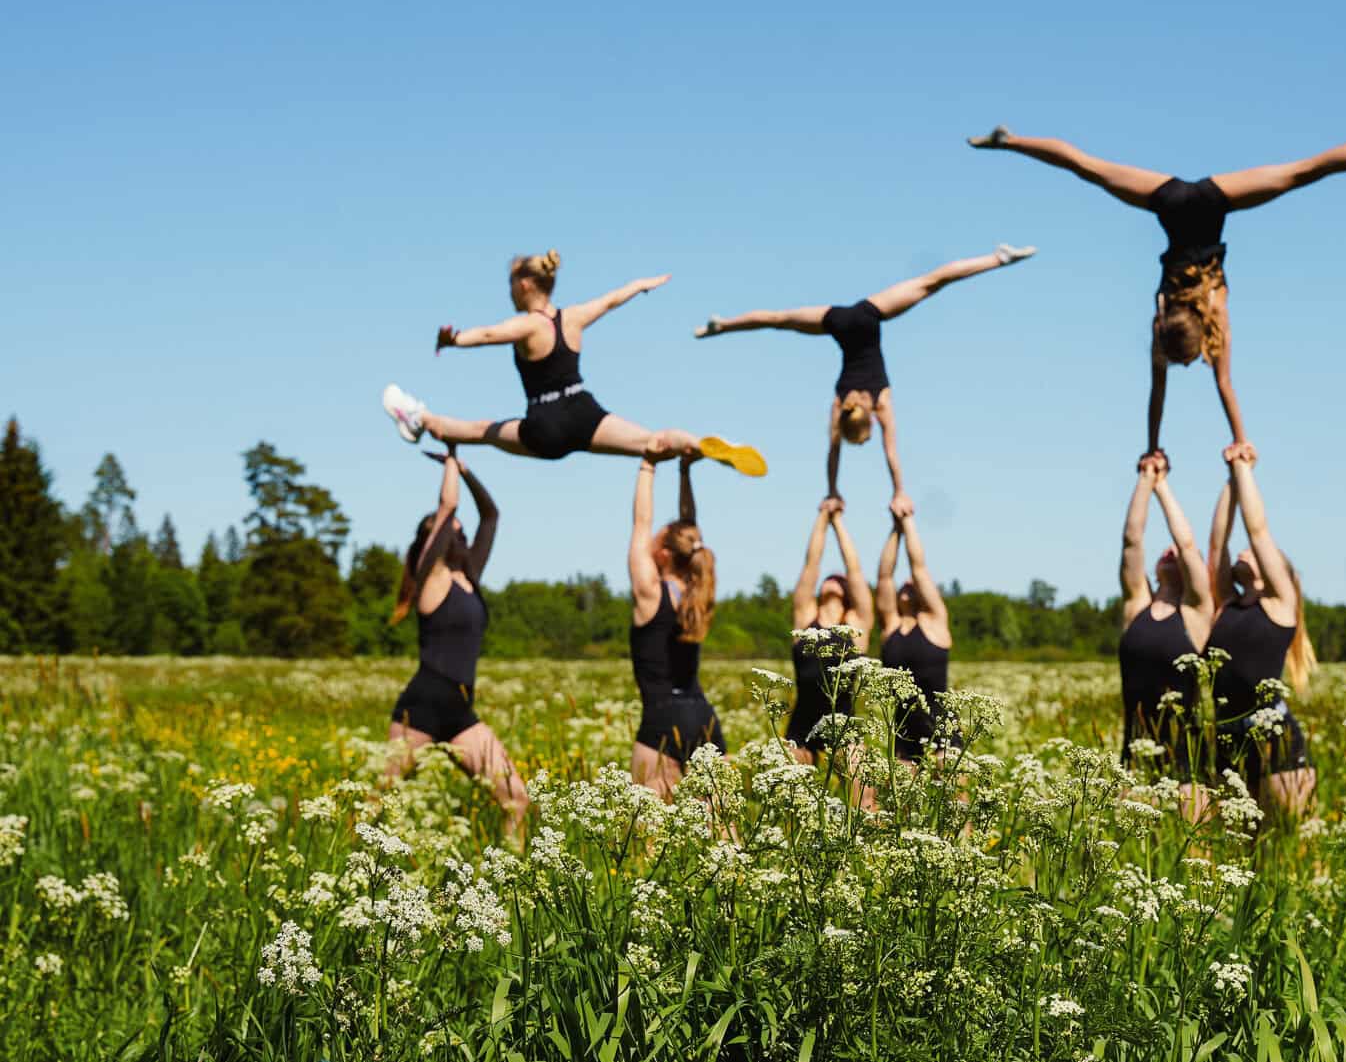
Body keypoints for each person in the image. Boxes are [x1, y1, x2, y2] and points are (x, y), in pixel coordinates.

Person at [967, 126, 1346, 462]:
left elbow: (1222, 385)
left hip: (1208, 205)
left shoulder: (1213, 311)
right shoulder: (1164, 314)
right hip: (1175, 201)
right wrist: (1158, 444)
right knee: (1087, 167)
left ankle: (1009, 141)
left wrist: (1232, 439)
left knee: (1305, 172)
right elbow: (1160, 390)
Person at [693, 247, 1035, 514]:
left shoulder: (880, 403)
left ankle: (722, 326)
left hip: (868, 317)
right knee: (780, 319)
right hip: (844, 320)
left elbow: (890, 453)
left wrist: (896, 490)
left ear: (868, 420)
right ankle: (998, 258)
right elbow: (833, 452)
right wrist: (832, 488)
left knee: (930, 284)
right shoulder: (841, 404)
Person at [380, 250, 764, 475]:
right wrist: (640, 285)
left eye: (511, 283)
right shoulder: (575, 317)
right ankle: (702, 445)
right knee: (652, 441)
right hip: (584, 412)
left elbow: (487, 335)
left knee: (481, 431)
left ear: (525, 285)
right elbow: (613, 299)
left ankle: (417, 417)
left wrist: (454, 339)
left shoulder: (528, 325)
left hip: (545, 424)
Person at [386, 448, 528, 835]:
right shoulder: (431, 579)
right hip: (423, 705)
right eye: (453, 531)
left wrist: (465, 470)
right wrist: (449, 456)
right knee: (380, 803)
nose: (461, 535)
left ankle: (507, 874)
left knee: (516, 798)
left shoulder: (469, 578)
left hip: (460, 710)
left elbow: (492, 515)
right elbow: (448, 507)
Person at [1204, 447, 1318, 816]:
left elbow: (1257, 530)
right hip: (1227, 737)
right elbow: (1217, 544)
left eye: (1255, 553)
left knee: (1288, 847)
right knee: (1238, 850)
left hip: (1274, 736)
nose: (1246, 551)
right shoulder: (1226, 604)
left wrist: (1245, 471)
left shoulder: (1280, 605)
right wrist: (1230, 481)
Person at [626, 439, 725, 798]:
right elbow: (690, 529)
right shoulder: (697, 588)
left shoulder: (652, 592)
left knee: (651, 841)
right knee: (724, 834)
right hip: (704, 717)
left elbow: (640, 523)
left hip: (663, 720)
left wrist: (648, 464)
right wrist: (684, 472)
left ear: (664, 553)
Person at [1116, 452, 1213, 782]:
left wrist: (1164, 486)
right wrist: (1145, 478)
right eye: (1164, 553)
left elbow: (1186, 544)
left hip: (1186, 760)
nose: (1170, 552)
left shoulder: (1197, 612)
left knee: (1184, 834)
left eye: (1180, 556)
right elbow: (1132, 540)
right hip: (1135, 756)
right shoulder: (1136, 606)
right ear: (1154, 570)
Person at [785, 497, 875, 762]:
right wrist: (822, 517)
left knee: (860, 787)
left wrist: (838, 522)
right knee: (786, 775)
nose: (832, 578)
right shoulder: (805, 619)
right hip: (802, 724)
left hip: (843, 722)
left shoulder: (856, 625)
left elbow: (855, 570)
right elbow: (811, 564)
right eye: (828, 578)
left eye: (839, 580)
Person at [875, 506, 958, 761]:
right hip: (904, 733)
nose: (908, 583)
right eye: (905, 585)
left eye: (914, 584)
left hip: (942, 730)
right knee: (904, 800)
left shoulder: (935, 621)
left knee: (955, 801)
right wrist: (895, 530)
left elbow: (919, 567)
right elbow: (885, 576)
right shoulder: (890, 626)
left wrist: (908, 521)